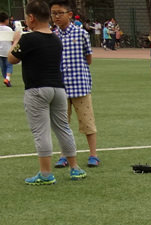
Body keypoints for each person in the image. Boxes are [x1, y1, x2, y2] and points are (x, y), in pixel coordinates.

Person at [8, 0, 85, 185]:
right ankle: (75, 168)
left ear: (31, 18)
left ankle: (45, 173)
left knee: (41, 131)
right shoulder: (56, 39)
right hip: (58, 88)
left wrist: (17, 40)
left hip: (36, 89)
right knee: (63, 128)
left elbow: (11, 59)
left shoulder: (28, 39)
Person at [50, 1, 100, 169]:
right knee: (62, 123)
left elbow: (88, 58)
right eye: (53, 13)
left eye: (59, 13)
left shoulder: (81, 34)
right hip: (60, 86)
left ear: (69, 14)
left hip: (80, 85)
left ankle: (93, 154)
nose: (56, 17)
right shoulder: (52, 35)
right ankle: (64, 154)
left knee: (88, 122)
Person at [0, 11, 21, 87]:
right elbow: (13, 39)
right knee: (9, 65)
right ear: (6, 20)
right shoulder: (9, 29)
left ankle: (5, 78)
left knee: (3, 67)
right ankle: (7, 78)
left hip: (0, 51)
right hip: (8, 50)